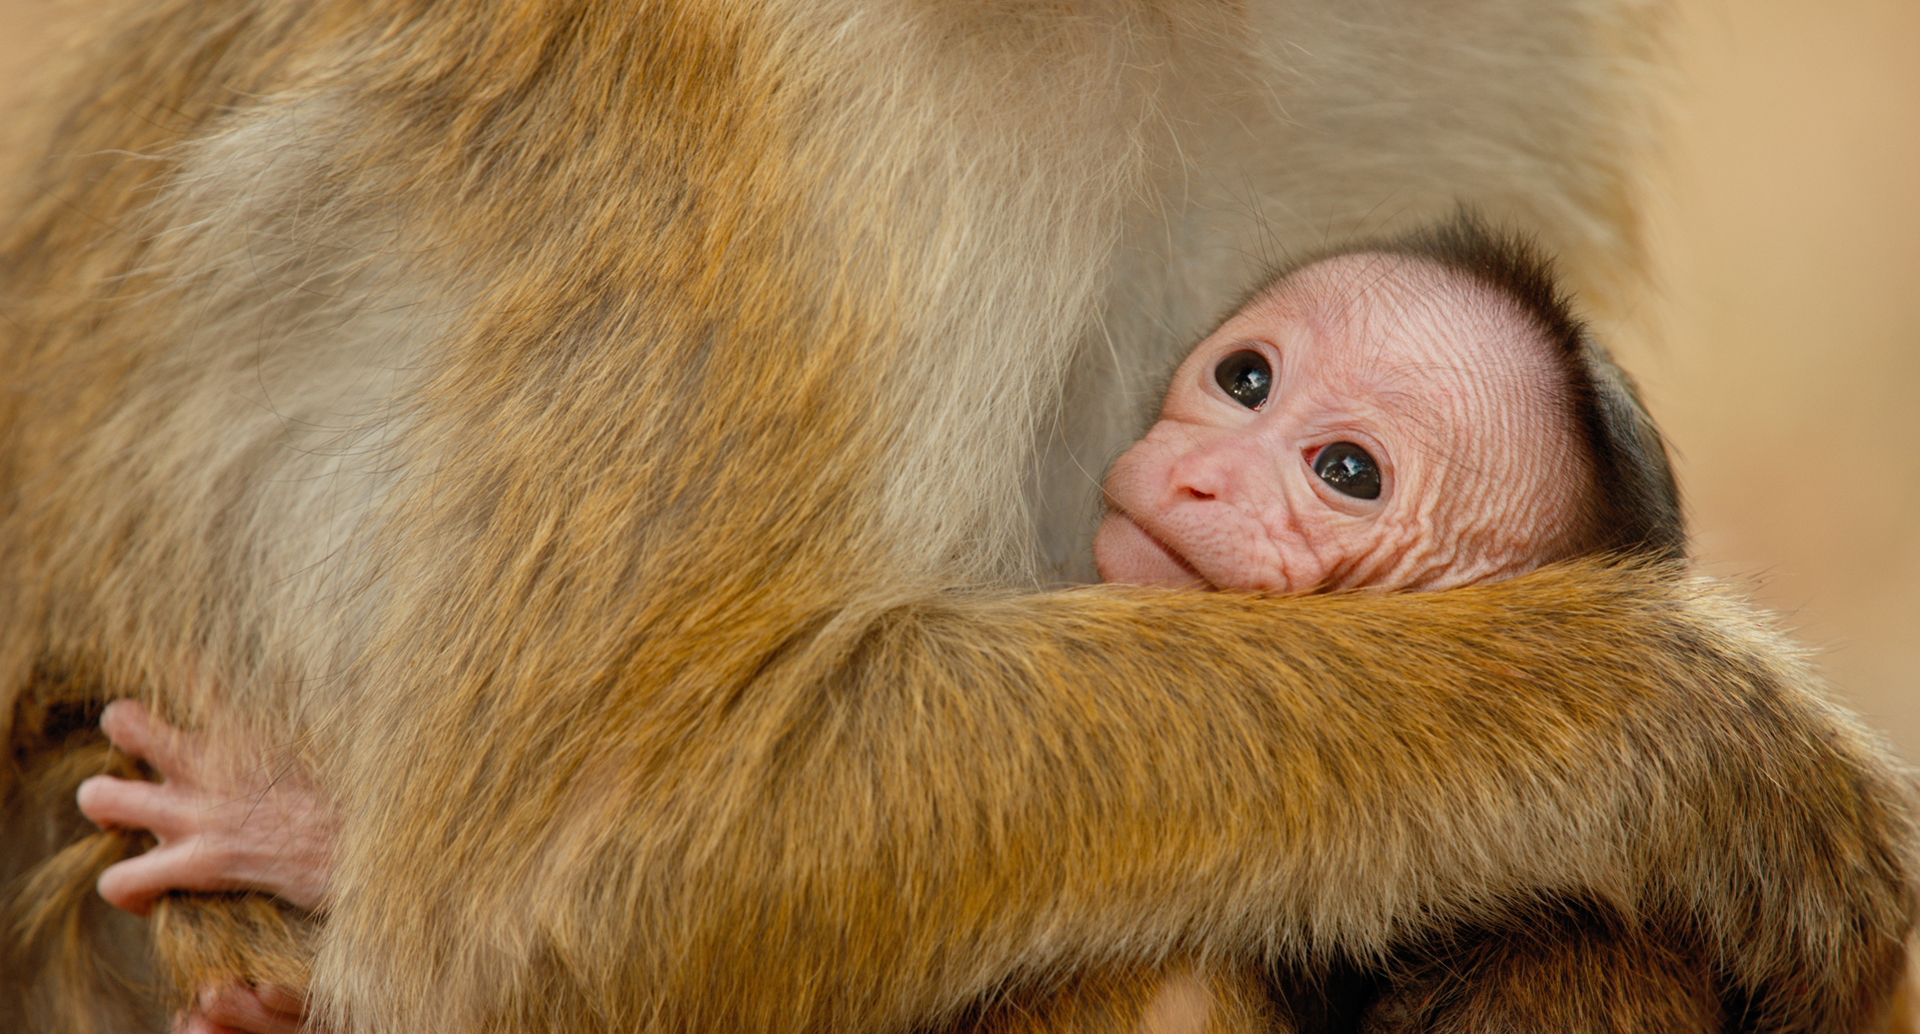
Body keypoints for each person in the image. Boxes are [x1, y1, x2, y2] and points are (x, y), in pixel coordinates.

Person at [79, 217, 1691, 1033]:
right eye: (1242, 382)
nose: (1209, 475)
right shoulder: (1039, 683)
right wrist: (360, 859)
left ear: (1482, 653)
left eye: (1346, 476)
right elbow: (786, 902)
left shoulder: (1230, 939)